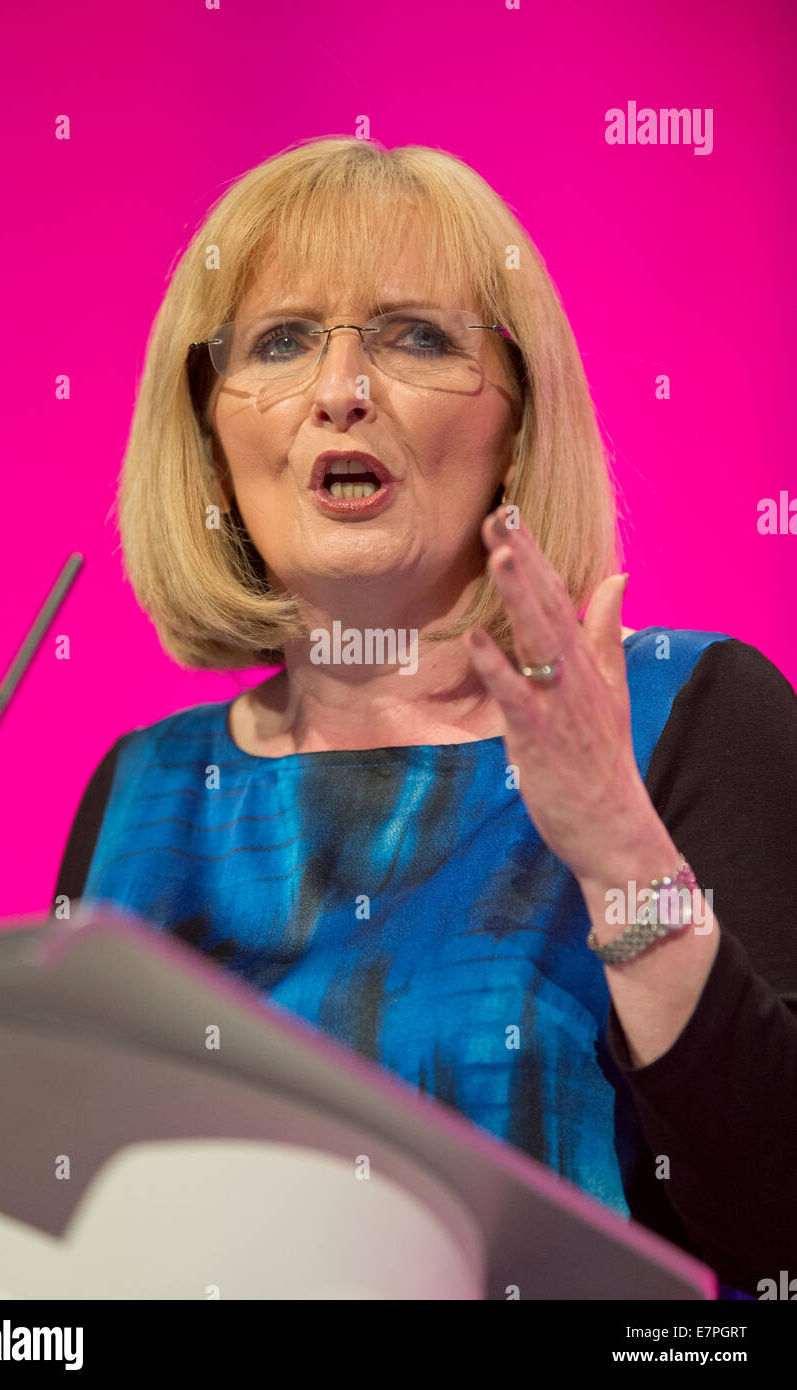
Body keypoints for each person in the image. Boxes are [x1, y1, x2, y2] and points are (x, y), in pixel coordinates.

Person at [54, 135, 797, 1300]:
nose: (342, 390)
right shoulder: (142, 797)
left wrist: (617, 855)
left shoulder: (682, 715)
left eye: (415, 337)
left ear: (515, 423)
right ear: (208, 429)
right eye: (282, 341)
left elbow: (780, 1220)